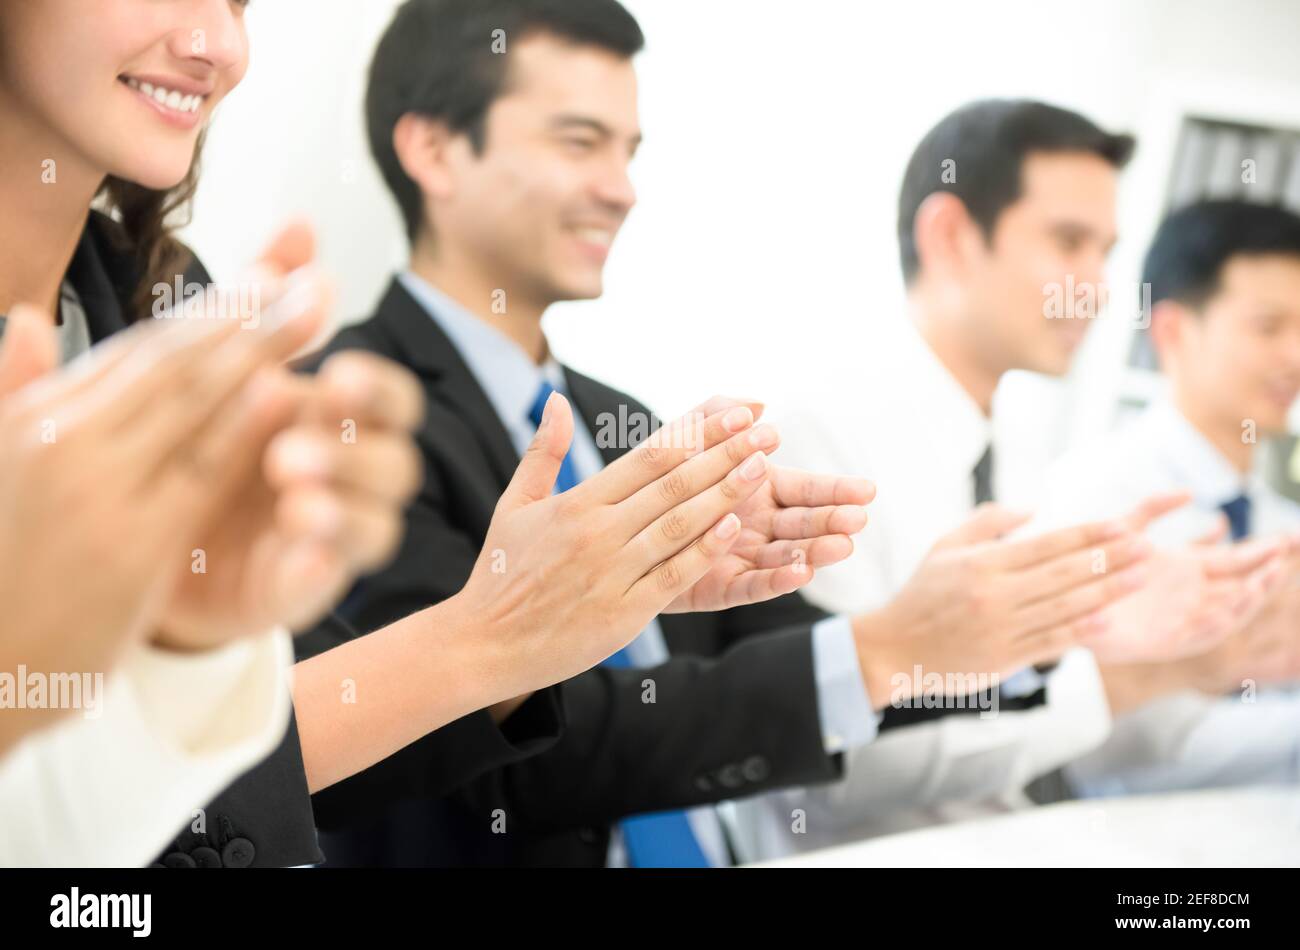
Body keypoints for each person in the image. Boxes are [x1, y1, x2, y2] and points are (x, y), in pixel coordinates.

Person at [303, 0, 1163, 868]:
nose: (622, 186)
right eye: (579, 142)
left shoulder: (614, 416)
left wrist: (988, 634)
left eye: (629, 150)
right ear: (434, 150)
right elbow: (492, 757)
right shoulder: (350, 415)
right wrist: (889, 646)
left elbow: (776, 650)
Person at [0, 0, 819, 867]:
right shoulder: (352, 386)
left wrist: (531, 618)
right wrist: (499, 632)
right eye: (578, 141)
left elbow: (281, 720)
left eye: (241, 2)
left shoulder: (171, 311)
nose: (219, 44)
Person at [729, 100, 1289, 862]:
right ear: (951, 237)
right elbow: (824, 768)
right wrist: (1142, 673)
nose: (1094, 289)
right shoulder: (811, 438)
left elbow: (1004, 705)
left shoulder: (1017, 450)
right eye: (1068, 243)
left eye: (1106, 252)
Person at [1035, 200, 1300, 795]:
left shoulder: (1282, 521)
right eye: (1269, 327)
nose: (1296, 355)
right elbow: (1121, 747)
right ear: (1175, 330)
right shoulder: (1098, 495)